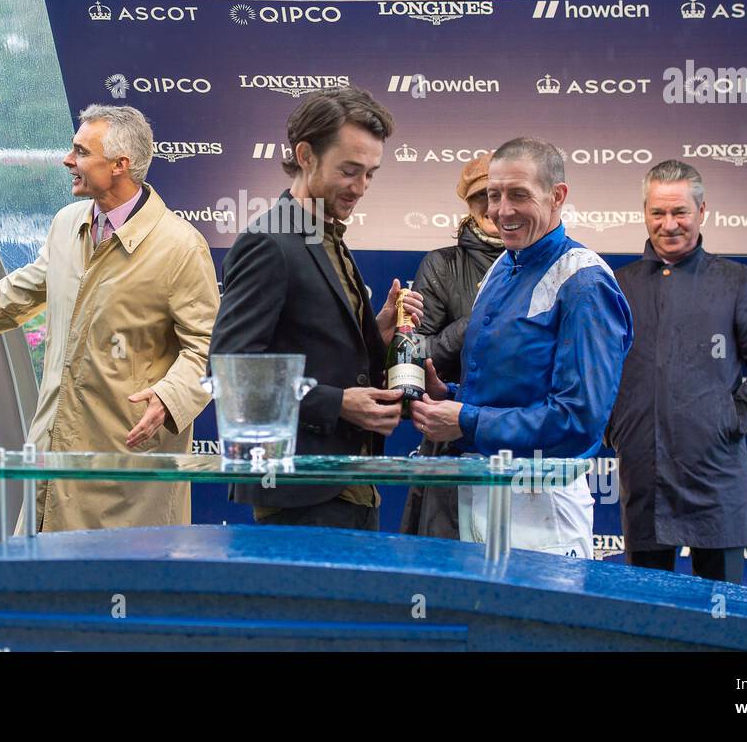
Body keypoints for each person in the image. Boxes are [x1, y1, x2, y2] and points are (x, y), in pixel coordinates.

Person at [0, 105, 219, 531]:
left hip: (127, 468)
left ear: (119, 165)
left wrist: (169, 397)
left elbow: (204, 348)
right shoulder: (67, 223)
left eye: (80, 151)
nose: (67, 160)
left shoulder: (181, 246)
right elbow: (20, 292)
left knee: (115, 585)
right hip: (52, 457)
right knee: (44, 587)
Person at [210, 86, 424, 530]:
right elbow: (231, 369)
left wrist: (375, 335)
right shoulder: (269, 241)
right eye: (350, 170)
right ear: (305, 155)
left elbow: (322, 347)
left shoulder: (324, 236)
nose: (361, 187)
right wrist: (337, 404)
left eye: (371, 174)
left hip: (349, 481)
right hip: (299, 488)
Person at [411, 137, 632, 558]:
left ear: (557, 196)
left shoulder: (584, 282)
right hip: (482, 496)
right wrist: (451, 399)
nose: (502, 211)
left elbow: (578, 420)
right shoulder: (502, 266)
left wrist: (468, 421)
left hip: (543, 513)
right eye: (494, 196)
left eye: (519, 195)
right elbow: (512, 393)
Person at [606, 160, 747, 584]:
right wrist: (614, 426)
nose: (669, 224)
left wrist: (729, 419)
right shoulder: (620, 285)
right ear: (644, 213)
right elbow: (598, 367)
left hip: (715, 478)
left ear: (702, 211)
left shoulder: (737, 281)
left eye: (680, 212)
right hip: (643, 473)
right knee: (649, 613)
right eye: (658, 212)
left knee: (722, 617)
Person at [400, 152, 505, 539]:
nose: (495, 208)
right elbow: (414, 356)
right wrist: (474, 323)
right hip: (452, 442)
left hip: (523, 441)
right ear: (468, 203)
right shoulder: (441, 265)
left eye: (503, 195)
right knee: (447, 576)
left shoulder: (546, 266)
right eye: (484, 197)